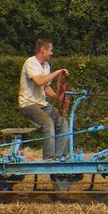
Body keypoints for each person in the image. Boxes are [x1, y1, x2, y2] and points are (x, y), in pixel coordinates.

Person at [19, 37, 72, 191]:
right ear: (43, 50)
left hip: (42, 104)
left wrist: (58, 96)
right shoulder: (31, 63)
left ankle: (59, 158)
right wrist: (56, 73)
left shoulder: (46, 65)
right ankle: (49, 162)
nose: (51, 53)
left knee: (63, 124)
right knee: (48, 123)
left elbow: (46, 89)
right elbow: (39, 82)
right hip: (28, 104)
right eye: (50, 50)